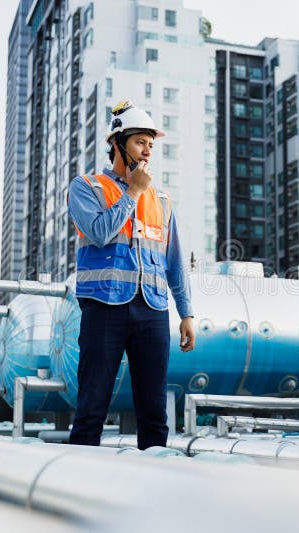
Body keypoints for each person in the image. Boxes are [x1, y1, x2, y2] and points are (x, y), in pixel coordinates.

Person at [66, 100, 195, 450]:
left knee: (154, 414)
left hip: (152, 310)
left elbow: (174, 261)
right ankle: (76, 476)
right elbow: (99, 233)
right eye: (140, 142)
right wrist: (133, 191)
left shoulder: (162, 200)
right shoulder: (86, 187)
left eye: (151, 144)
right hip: (103, 308)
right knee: (91, 409)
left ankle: (154, 477)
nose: (148, 151)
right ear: (117, 143)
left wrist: (186, 313)